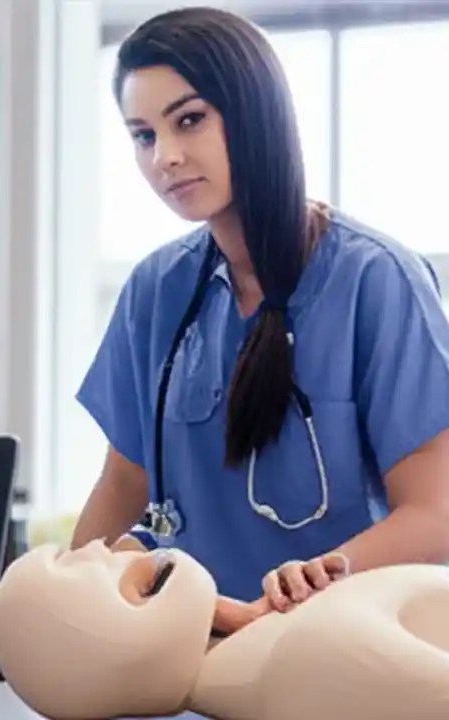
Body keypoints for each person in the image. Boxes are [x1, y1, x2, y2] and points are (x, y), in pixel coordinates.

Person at [70, 6, 449, 623]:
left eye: (189, 120)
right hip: (186, 664)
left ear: (256, 114)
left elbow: (436, 517)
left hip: (329, 659)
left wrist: (306, 590)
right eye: (143, 135)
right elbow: (123, 486)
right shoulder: (156, 290)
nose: (164, 156)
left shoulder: (375, 281)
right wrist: (69, 595)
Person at [0, 540, 449, 720]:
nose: (98, 544)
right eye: (71, 562)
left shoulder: (281, 647)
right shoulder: (304, 661)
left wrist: (255, 614)